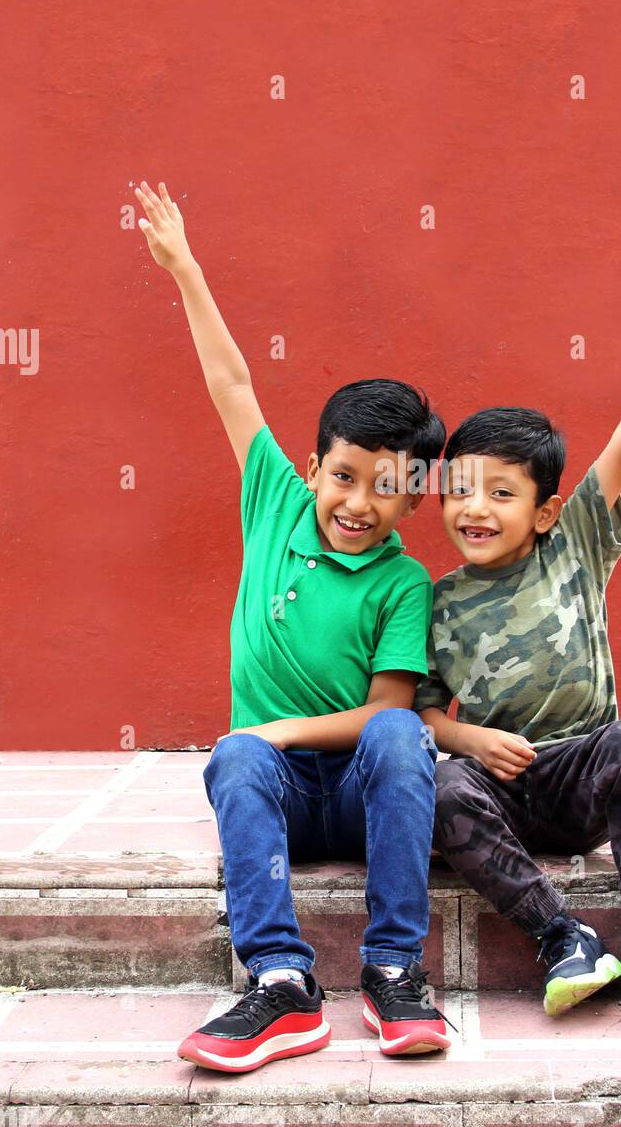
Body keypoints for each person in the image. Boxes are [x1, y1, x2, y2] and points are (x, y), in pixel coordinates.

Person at [132, 179, 453, 1068]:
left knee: (397, 735)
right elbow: (231, 379)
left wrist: (281, 728)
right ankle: (281, 986)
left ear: (413, 498)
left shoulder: (404, 583)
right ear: (313, 465)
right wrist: (185, 268)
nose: (358, 502)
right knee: (236, 755)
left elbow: (385, 713)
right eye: (345, 476)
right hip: (273, 787)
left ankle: (394, 972)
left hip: (355, 793)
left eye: (388, 488)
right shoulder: (273, 498)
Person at [417, 277, 621, 1020]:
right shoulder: (438, 601)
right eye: (460, 490)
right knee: (442, 786)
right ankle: (561, 934)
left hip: (582, 776)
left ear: (545, 510)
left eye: (501, 493)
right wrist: (470, 740)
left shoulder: (576, 544)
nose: (474, 508)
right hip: (503, 785)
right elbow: (418, 712)